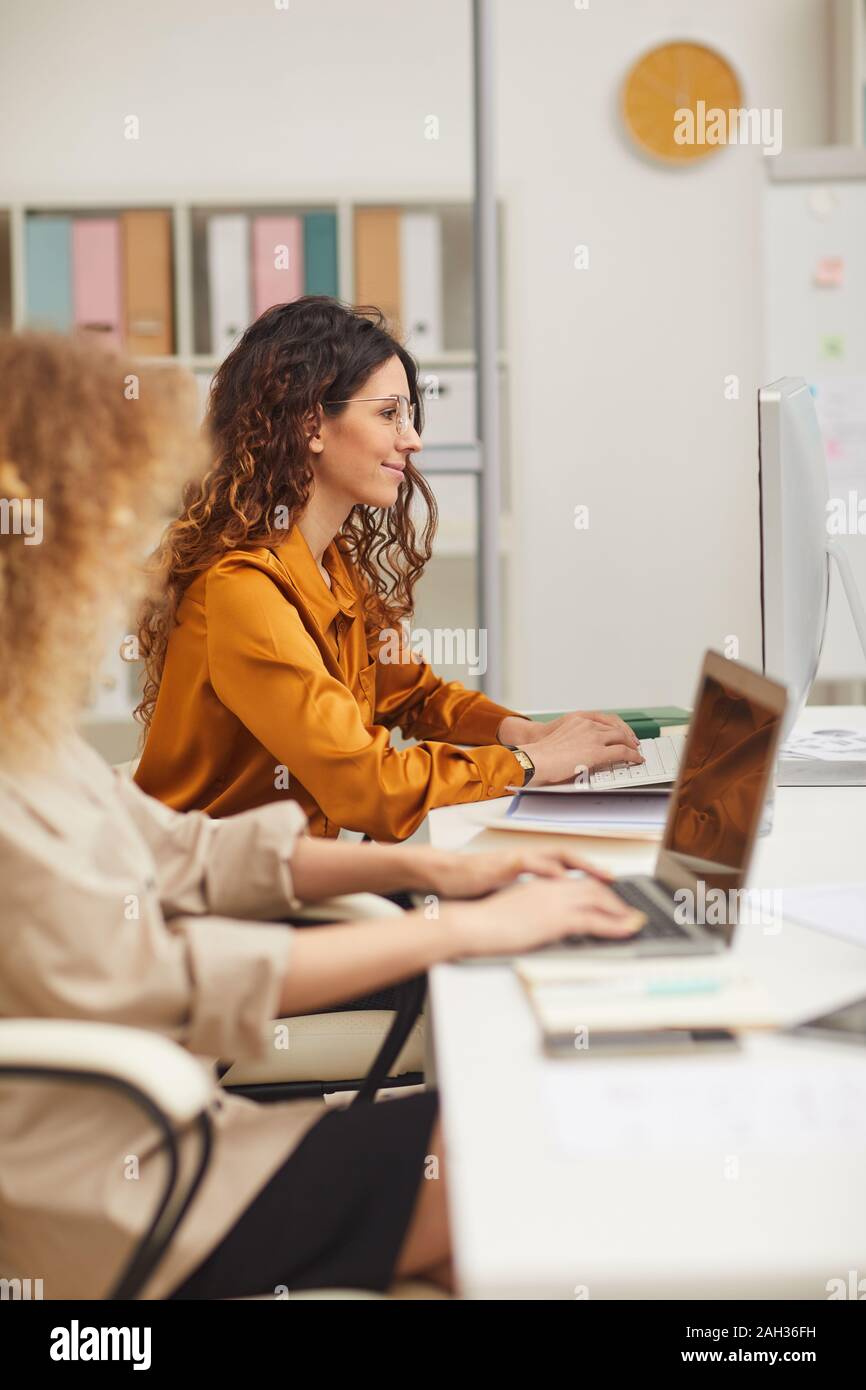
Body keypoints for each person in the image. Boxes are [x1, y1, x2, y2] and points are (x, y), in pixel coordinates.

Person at [0, 332, 644, 1300]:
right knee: (537, 1153)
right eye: (106, 526)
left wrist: (435, 873)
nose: (121, 570)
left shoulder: (29, 731)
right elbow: (159, 970)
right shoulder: (233, 593)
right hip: (137, 1184)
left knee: (523, 1154)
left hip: (179, 1117)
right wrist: (460, 921)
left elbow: (191, 851)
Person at [133, 296, 644, 840]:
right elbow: (368, 786)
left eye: (407, 415)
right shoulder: (243, 590)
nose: (413, 438)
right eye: (387, 414)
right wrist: (530, 764)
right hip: (212, 900)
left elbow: (412, 694)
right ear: (312, 423)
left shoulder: (328, 562)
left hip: (286, 876)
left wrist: (524, 732)